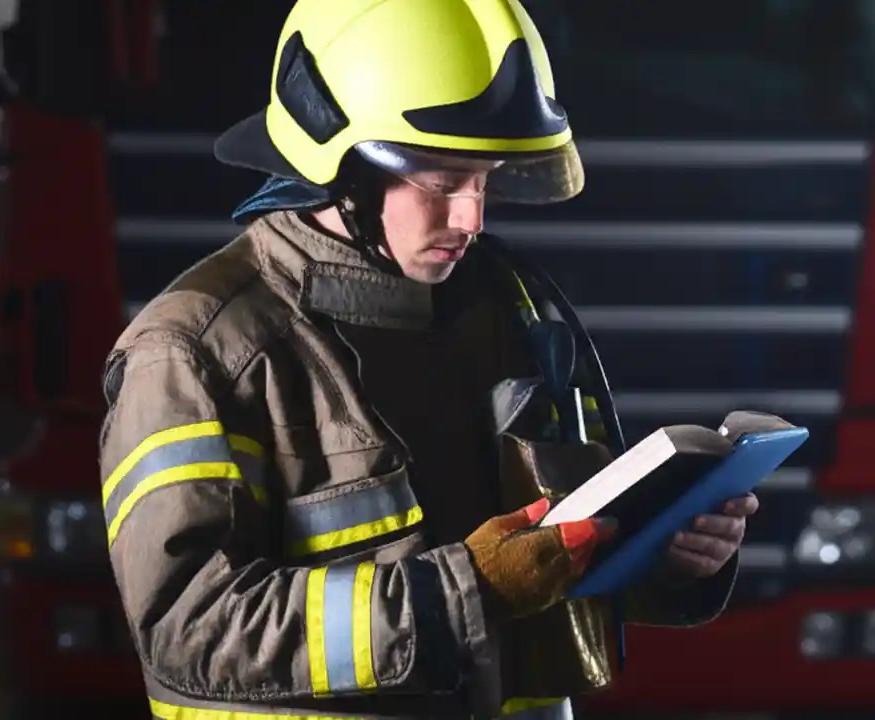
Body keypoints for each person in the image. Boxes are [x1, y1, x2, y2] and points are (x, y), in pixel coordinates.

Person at [96, 1, 758, 719]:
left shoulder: (512, 312)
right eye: (441, 181)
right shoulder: (197, 352)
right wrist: (460, 593)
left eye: (487, 178)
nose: (472, 217)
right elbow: (186, 632)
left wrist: (668, 553)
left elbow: (561, 563)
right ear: (340, 166)